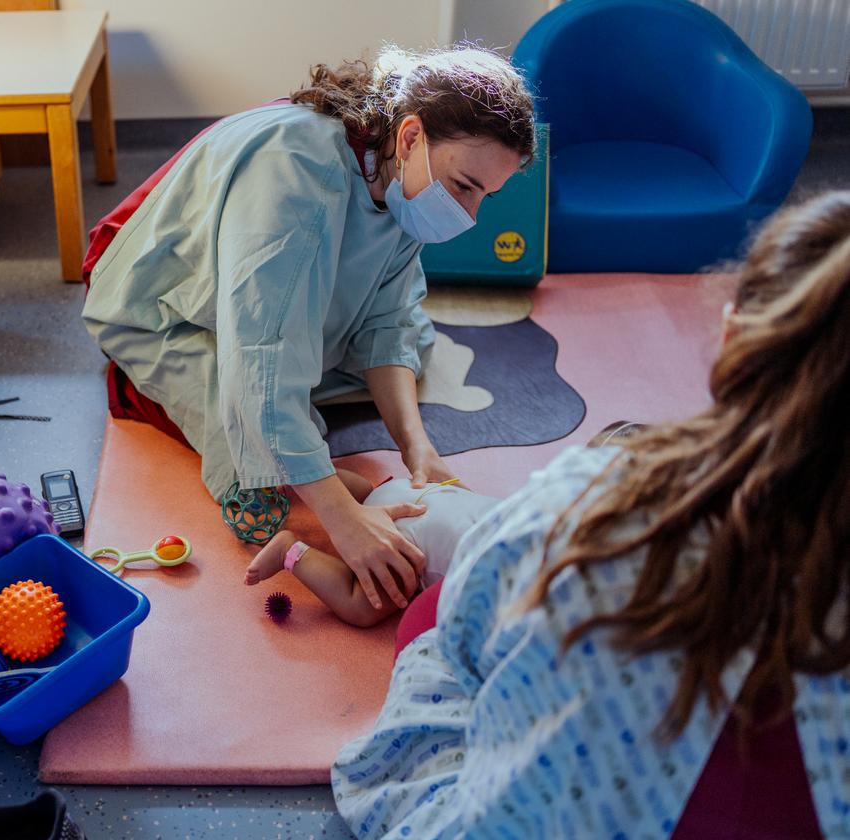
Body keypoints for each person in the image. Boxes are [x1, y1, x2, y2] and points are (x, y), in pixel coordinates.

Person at [332, 191, 850, 838]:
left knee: (429, 623)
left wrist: (310, 552)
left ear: (733, 337)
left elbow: (462, 637)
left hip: (540, 791)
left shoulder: (589, 510)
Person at [83, 46, 536, 611]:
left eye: (484, 197)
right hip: (161, 306)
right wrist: (341, 520)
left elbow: (387, 317)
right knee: (257, 465)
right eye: (466, 186)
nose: (469, 215)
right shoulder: (296, 171)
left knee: (409, 344)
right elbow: (262, 357)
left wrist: (418, 448)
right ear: (413, 137)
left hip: (274, 291)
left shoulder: (402, 176)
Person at [244, 471, 499, 627]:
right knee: (363, 608)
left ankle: (307, 478)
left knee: (369, 494)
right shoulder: (512, 594)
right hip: (405, 544)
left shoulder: (531, 512)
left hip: (414, 489)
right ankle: (288, 551)